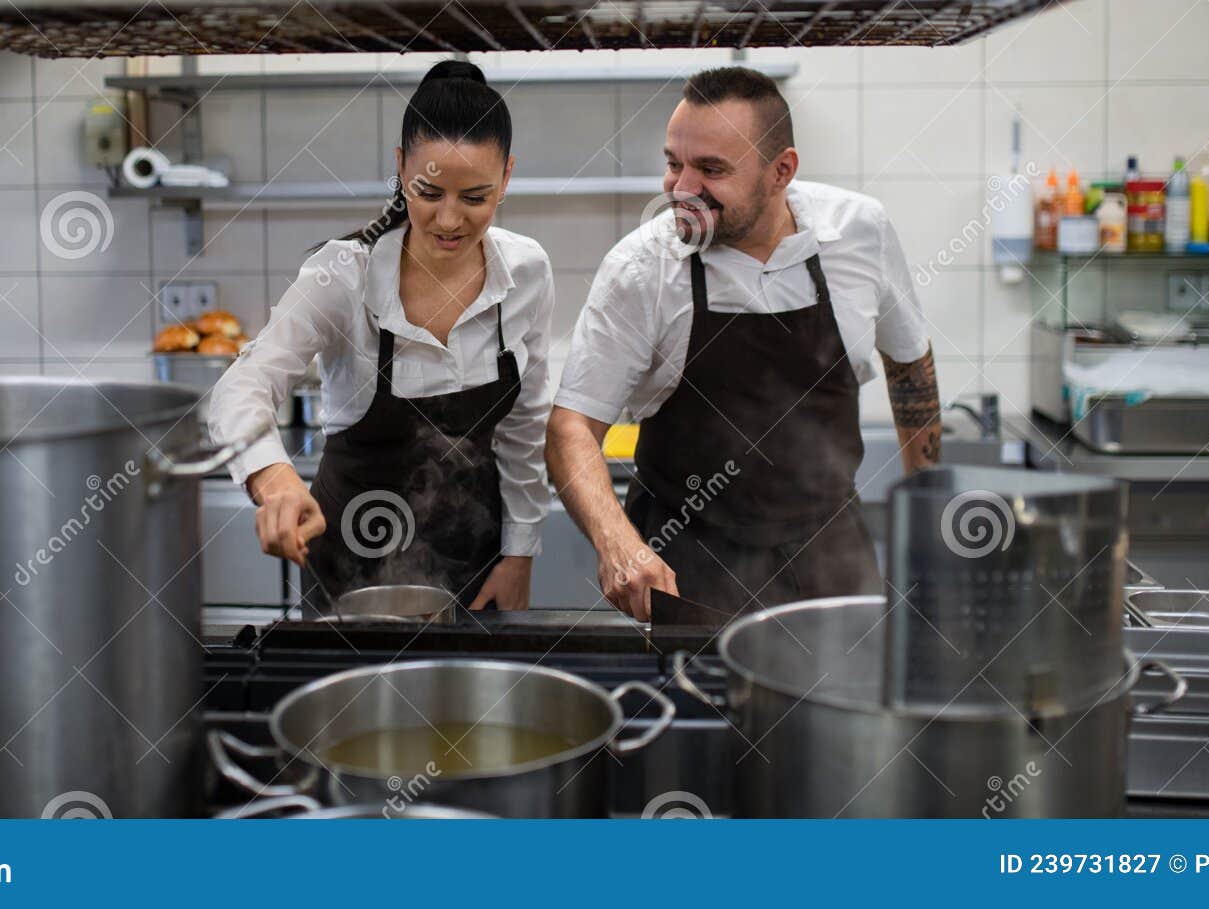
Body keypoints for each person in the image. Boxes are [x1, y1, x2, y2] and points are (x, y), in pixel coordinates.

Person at [547, 67, 939, 622]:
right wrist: (618, 544)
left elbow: (909, 365)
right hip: (690, 567)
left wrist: (929, 510)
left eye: (711, 169)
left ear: (781, 171)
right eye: (673, 163)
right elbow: (571, 429)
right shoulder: (642, 268)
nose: (681, 189)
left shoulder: (859, 233)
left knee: (845, 705)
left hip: (832, 559)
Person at [207, 60, 553, 612]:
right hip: (351, 574)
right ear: (400, 168)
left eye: (475, 198)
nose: (447, 220)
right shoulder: (345, 273)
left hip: (477, 568)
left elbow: (526, 426)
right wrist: (274, 482)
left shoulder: (527, 272)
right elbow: (241, 385)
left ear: (507, 177)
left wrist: (519, 556)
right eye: (429, 191)